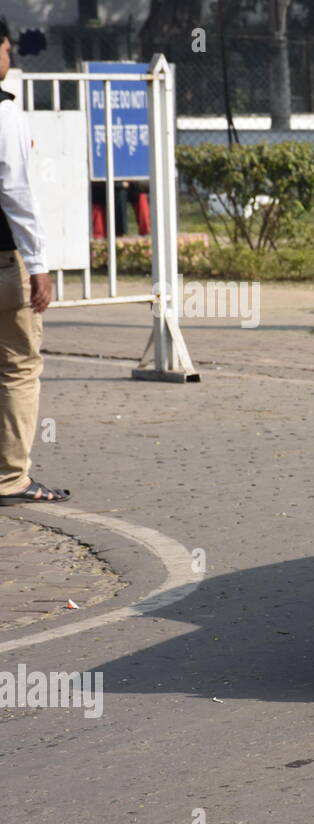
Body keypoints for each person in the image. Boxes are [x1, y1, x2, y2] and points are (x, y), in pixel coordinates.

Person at [0, 19, 68, 505]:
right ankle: (12, 477)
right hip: (4, 263)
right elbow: (16, 193)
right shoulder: (5, 115)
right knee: (19, 365)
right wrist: (38, 265)